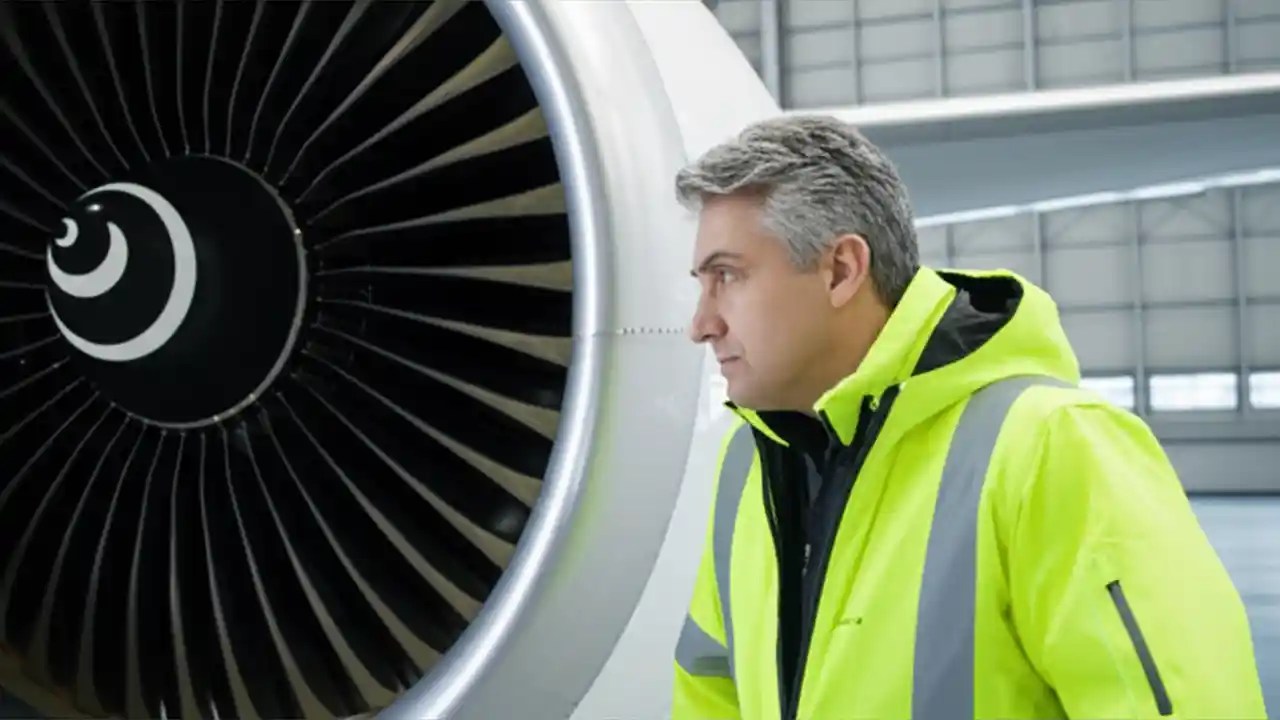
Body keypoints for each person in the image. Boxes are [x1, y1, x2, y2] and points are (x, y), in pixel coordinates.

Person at [669, 114, 1267, 720]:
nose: (702, 323)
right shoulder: (746, 465)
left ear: (841, 271)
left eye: (727, 277)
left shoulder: (1051, 447)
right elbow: (710, 689)